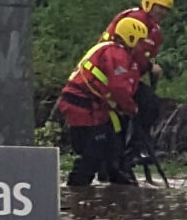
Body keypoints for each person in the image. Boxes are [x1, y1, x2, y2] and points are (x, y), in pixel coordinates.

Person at [58, 15, 150, 187]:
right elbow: (119, 89)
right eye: (139, 41)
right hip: (83, 106)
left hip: (92, 106)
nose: (141, 46)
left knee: (110, 145)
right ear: (130, 37)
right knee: (95, 149)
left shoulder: (113, 51)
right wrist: (131, 108)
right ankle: (77, 190)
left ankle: (116, 182)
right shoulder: (116, 54)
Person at [101, 0, 174, 168]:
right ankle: (132, 149)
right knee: (145, 105)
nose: (163, 13)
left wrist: (150, 67)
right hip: (113, 76)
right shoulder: (134, 20)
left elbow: (142, 55)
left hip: (129, 76)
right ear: (149, 3)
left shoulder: (155, 31)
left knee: (146, 105)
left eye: (166, 10)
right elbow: (125, 51)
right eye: (160, 7)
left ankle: (132, 150)